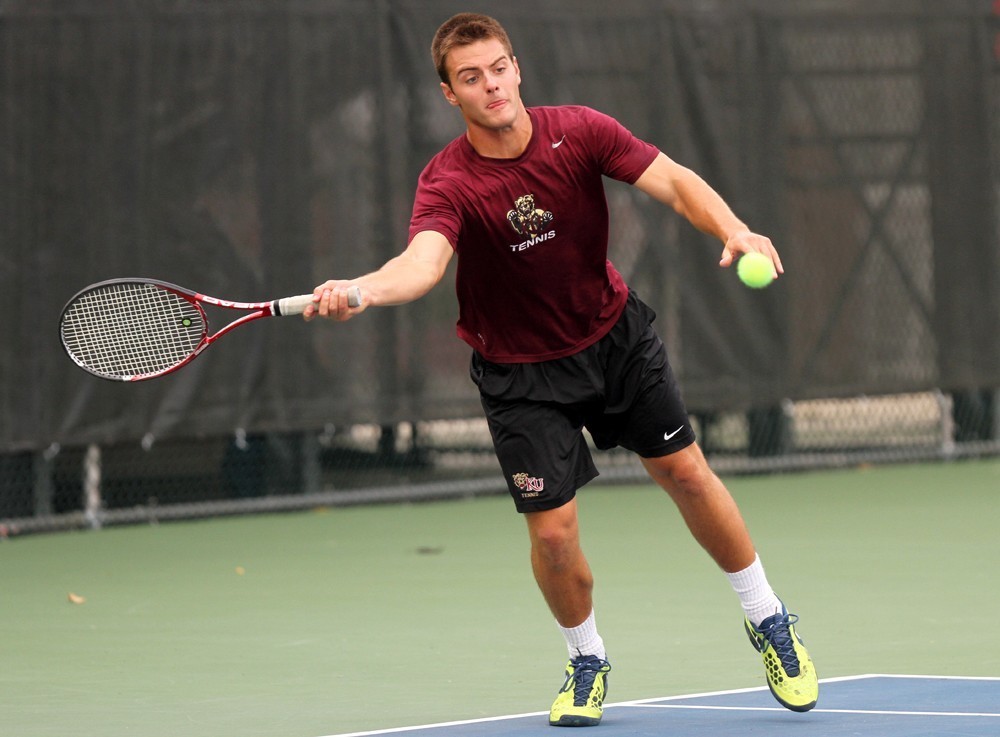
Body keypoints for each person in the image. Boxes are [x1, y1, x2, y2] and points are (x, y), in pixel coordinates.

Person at [305, 12, 818, 727]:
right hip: (519, 374)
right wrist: (360, 291)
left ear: (517, 68)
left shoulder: (578, 131)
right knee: (552, 533)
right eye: (471, 78)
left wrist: (733, 227)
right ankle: (586, 659)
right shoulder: (448, 181)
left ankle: (768, 619)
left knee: (687, 472)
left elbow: (673, 182)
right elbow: (420, 266)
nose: (491, 86)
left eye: (498, 68)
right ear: (450, 93)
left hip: (613, 339)